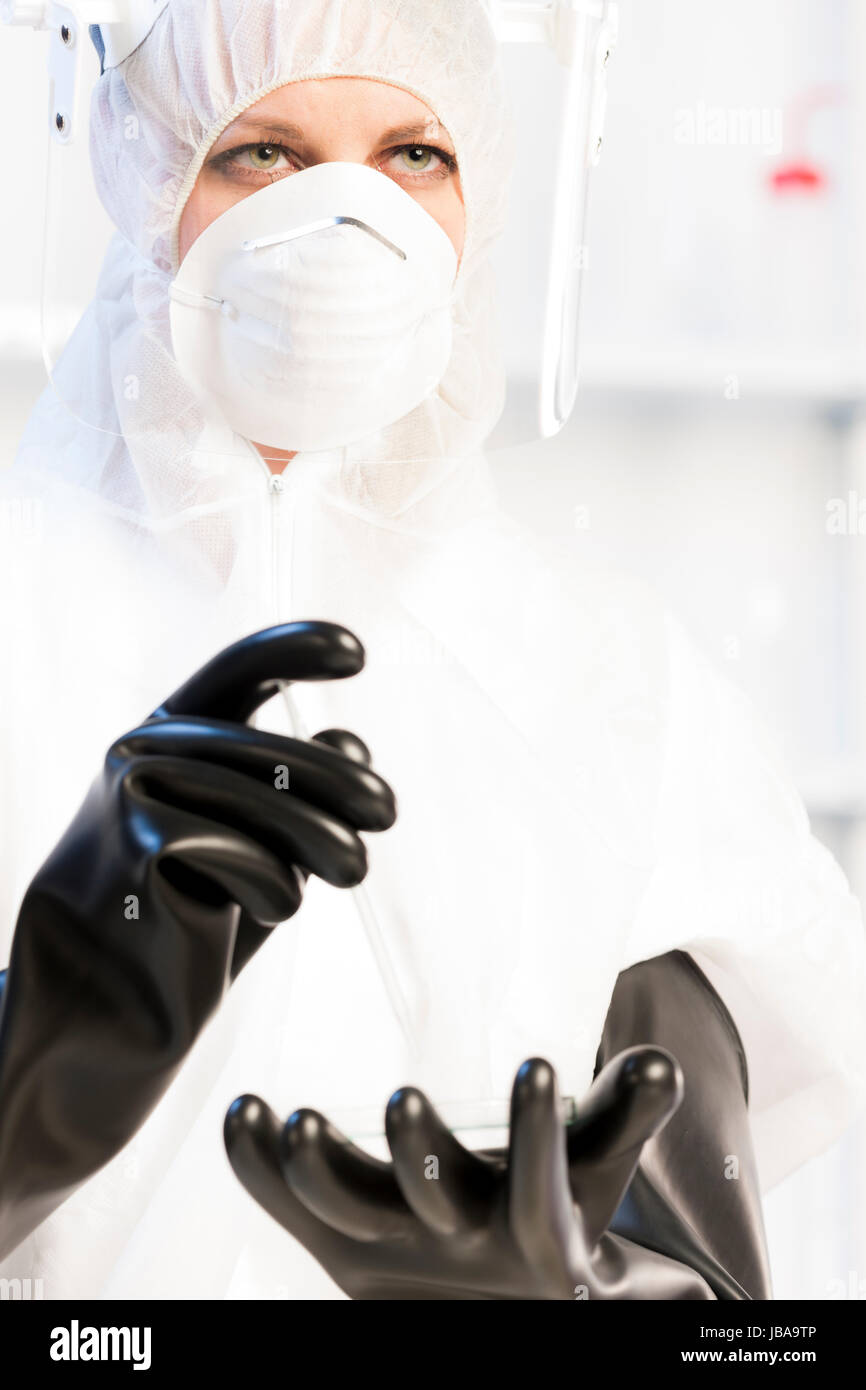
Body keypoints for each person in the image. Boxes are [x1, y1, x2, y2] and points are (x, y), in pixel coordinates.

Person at [0, 0, 864, 1300]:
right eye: (263, 153)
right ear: (147, 174)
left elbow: (722, 1310)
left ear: (483, 199)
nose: (345, 222)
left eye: (414, 154)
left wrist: (568, 1301)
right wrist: (29, 1079)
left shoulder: (614, 684)